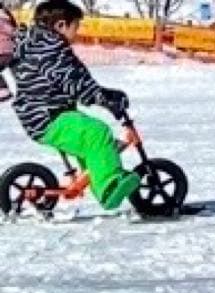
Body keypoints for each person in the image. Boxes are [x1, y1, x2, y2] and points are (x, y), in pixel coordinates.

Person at [9, 0, 139, 211]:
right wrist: (104, 98)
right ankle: (109, 186)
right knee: (97, 133)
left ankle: (101, 181)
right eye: (75, 26)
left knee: (91, 144)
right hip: (47, 118)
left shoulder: (37, 44)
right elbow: (74, 82)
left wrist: (102, 94)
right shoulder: (50, 50)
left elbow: (75, 80)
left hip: (47, 114)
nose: (77, 32)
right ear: (60, 25)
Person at [0, 1, 17, 104]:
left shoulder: (2, 18)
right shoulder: (6, 15)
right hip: (11, 49)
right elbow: (13, 30)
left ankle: (3, 91)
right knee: (17, 70)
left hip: (3, 51)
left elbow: (10, 30)